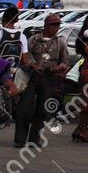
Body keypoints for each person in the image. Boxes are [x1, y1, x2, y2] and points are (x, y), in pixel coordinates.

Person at [12, 14, 72, 148]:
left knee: (43, 110)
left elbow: (65, 61)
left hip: (49, 79)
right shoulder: (34, 39)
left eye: (58, 25)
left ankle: (34, 138)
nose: (55, 28)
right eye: (53, 24)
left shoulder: (60, 42)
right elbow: (25, 56)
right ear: (46, 25)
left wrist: (59, 68)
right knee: (24, 108)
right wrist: (33, 65)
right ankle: (20, 139)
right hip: (32, 77)